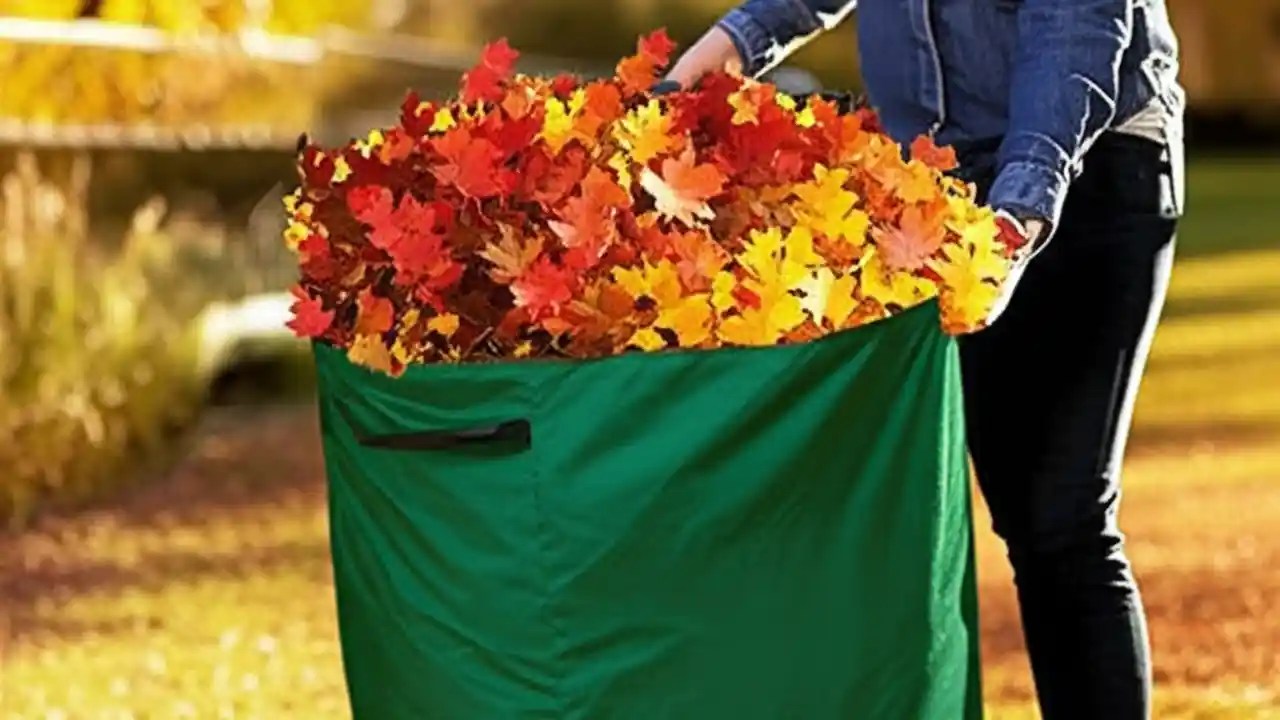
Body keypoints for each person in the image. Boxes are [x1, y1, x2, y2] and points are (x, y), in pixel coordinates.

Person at [664, 1, 1184, 718]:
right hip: (936, 182)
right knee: (960, 505)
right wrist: (731, 44)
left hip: (1093, 166)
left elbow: (1074, 30)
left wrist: (1019, 208)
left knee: (1061, 517)